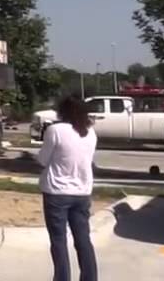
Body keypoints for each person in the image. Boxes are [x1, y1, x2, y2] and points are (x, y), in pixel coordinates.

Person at [37, 94, 99, 281]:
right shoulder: (90, 133)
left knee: (58, 241)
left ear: (63, 111)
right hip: (82, 192)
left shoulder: (55, 130)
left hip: (56, 192)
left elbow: (42, 159)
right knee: (83, 240)